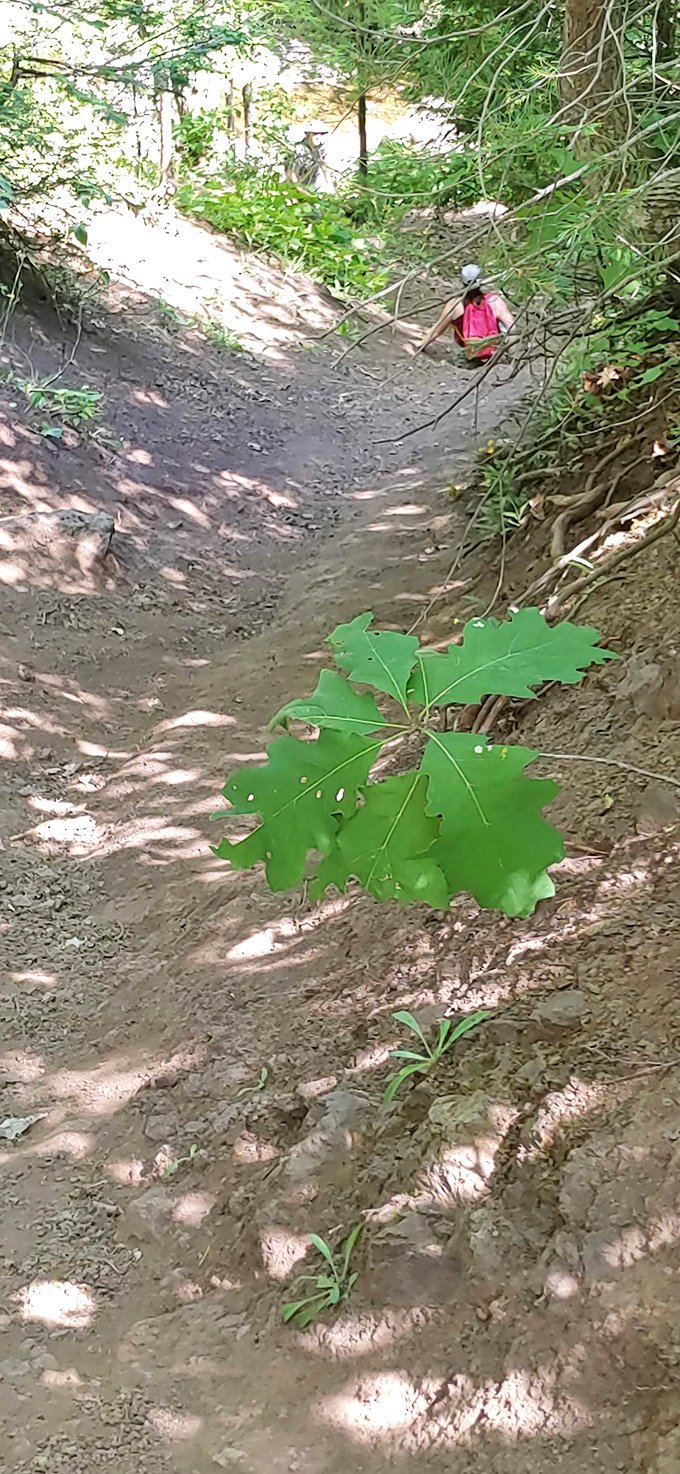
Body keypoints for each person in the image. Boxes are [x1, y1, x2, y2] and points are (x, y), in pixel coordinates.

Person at [419, 264, 514, 362]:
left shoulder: (455, 304)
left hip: (466, 354)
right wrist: (512, 358)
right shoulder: (495, 301)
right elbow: (512, 327)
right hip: (494, 356)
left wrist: (420, 346)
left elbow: (437, 331)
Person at [286, 123, 330, 190]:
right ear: (309, 134)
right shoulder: (300, 150)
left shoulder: (320, 150)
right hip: (294, 188)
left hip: (310, 187)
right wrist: (299, 189)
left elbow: (325, 167)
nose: (318, 136)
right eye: (315, 134)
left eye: (322, 134)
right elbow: (291, 173)